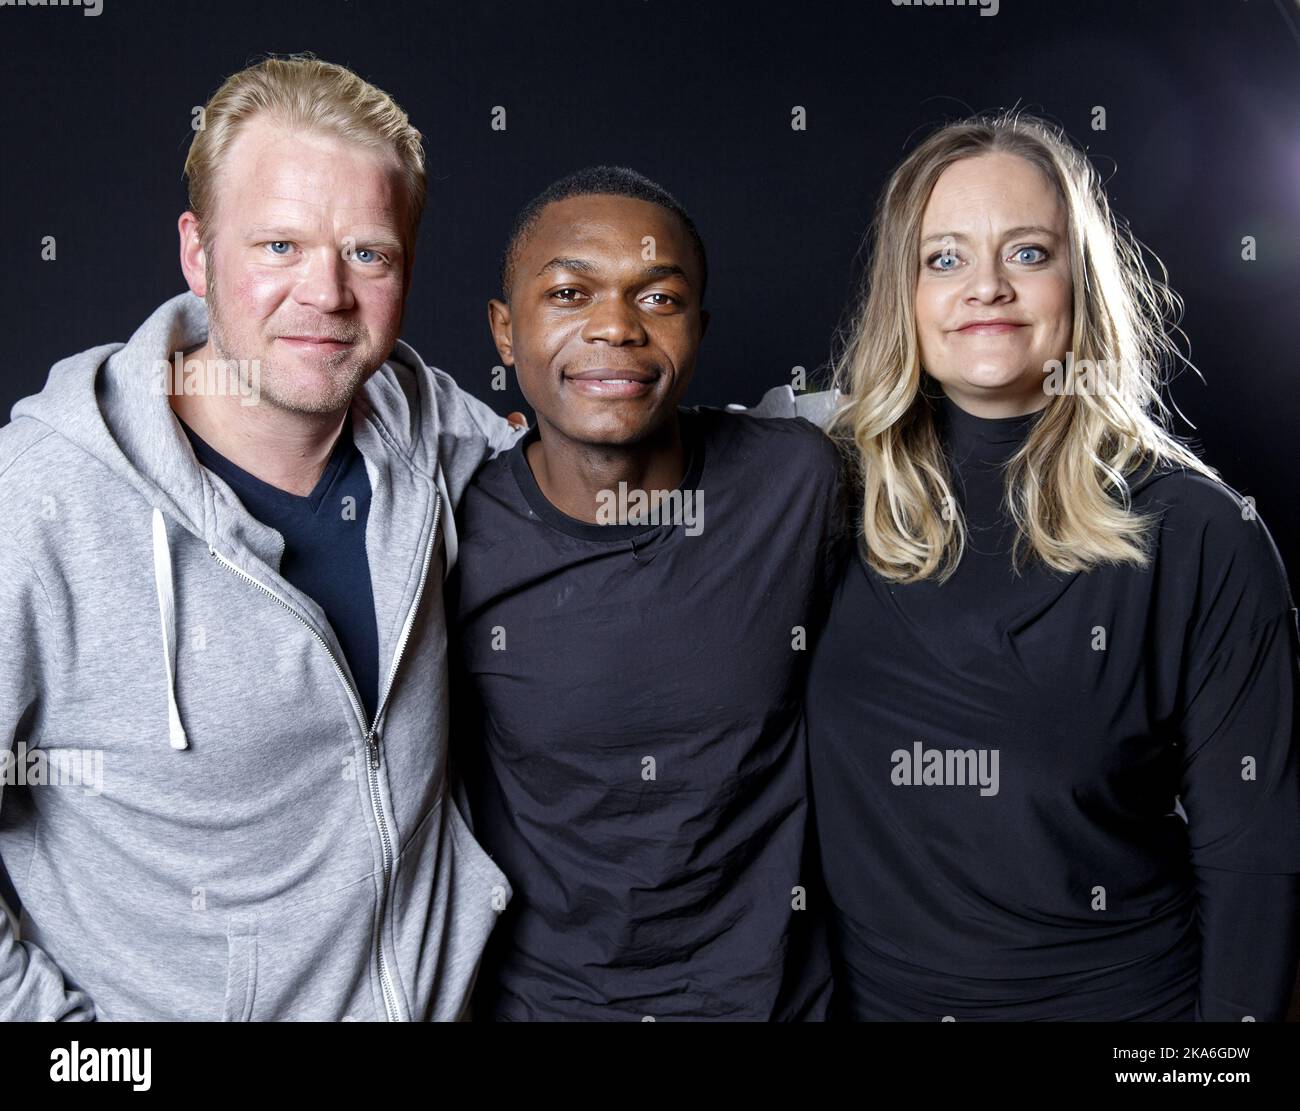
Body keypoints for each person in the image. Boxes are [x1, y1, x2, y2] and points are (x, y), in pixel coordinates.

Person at [0, 54, 522, 1021]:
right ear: (198, 253)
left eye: (368, 253)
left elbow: (609, 452)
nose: (325, 293)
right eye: (278, 245)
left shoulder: (432, 434)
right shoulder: (38, 502)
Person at [806, 111, 1300, 1021]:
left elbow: (1256, 857)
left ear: (1082, 280)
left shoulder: (1199, 532)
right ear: (904, 293)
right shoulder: (826, 497)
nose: (986, 287)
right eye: (945, 258)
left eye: (1028, 253)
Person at [448, 166, 841, 1020]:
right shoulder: (447, 535)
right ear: (505, 331)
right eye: (569, 292)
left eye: (657, 299)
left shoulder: (796, 483)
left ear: (699, 328)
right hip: (546, 1005)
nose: (615, 328)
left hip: (779, 1005)